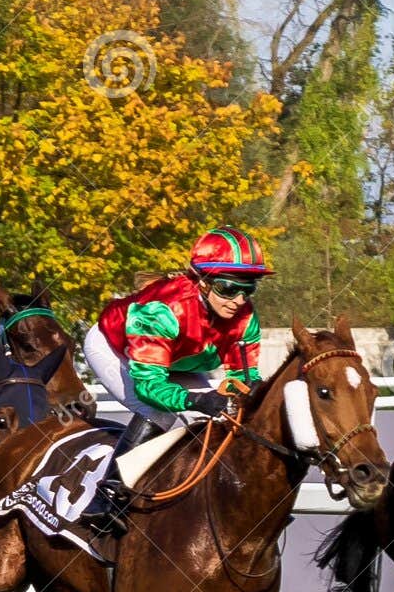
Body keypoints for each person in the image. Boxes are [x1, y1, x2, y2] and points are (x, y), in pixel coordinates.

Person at [79, 226, 272, 534]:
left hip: (179, 359)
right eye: (227, 288)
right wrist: (194, 399)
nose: (238, 300)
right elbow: (150, 387)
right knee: (161, 410)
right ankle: (107, 495)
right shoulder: (162, 310)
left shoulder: (245, 317)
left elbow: (242, 377)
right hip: (118, 350)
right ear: (203, 282)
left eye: (247, 290)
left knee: (223, 414)